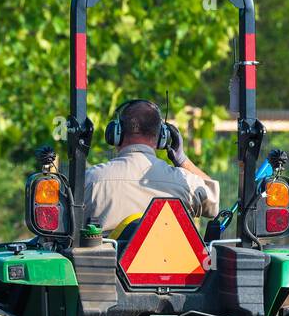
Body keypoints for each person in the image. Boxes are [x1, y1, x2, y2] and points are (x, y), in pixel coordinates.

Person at [83, 99, 221, 233]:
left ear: (116, 133)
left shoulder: (91, 180)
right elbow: (213, 204)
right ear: (163, 137)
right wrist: (183, 159)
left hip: (111, 256)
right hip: (169, 257)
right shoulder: (185, 183)